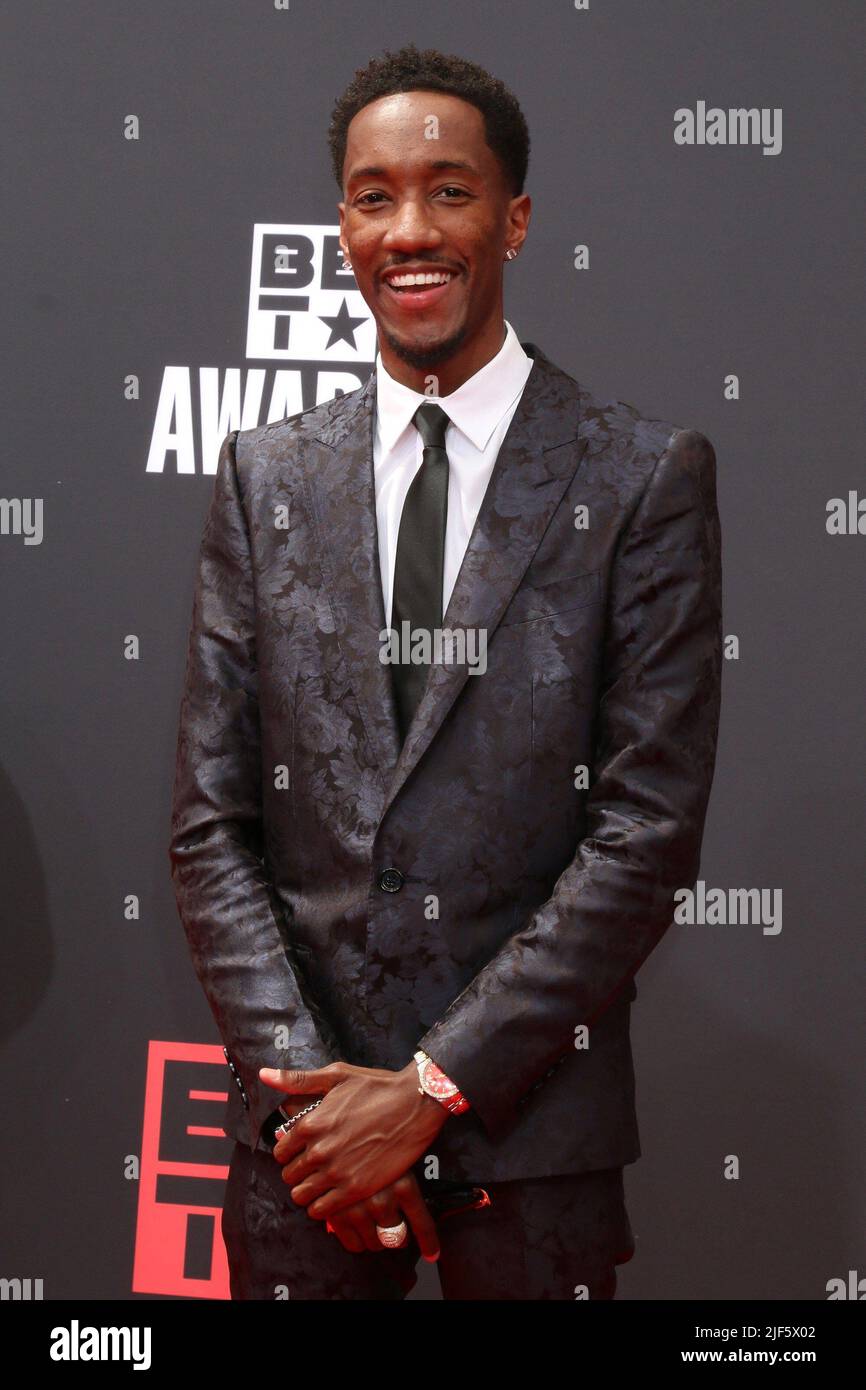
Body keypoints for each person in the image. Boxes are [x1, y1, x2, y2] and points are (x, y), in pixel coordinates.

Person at [169, 43, 723, 1300]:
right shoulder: (267, 479)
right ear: (343, 226)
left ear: (514, 219)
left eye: (448, 190)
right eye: (372, 195)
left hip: (528, 1148)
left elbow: (642, 833)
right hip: (301, 1159)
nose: (407, 229)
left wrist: (427, 1089)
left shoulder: (636, 478)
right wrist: (316, 1111)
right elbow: (212, 824)